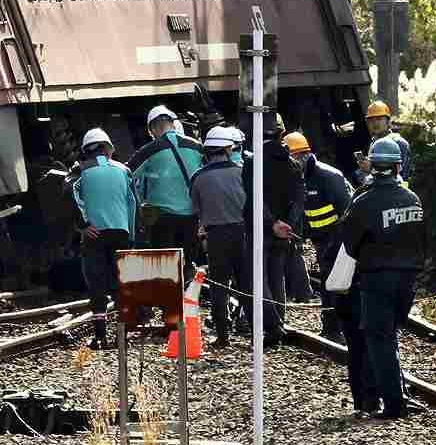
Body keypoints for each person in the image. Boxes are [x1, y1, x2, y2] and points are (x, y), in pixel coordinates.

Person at [339, 136, 427, 420]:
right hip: (407, 280)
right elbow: (423, 240)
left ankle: (393, 404)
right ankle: (396, 395)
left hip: (376, 280)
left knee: (380, 340)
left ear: (372, 166)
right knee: (391, 337)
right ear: (398, 166)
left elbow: (349, 245)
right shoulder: (412, 198)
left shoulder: (364, 201)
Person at [70, 128, 137, 349]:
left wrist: (82, 225)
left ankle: (100, 337)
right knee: (121, 285)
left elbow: (69, 195)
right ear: (109, 149)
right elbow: (133, 204)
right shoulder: (124, 170)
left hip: (95, 235)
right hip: (121, 232)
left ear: (86, 151)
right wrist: (131, 233)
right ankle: (123, 336)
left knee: (97, 285)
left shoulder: (81, 171)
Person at [242, 113, 305, 346]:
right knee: (277, 275)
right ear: (281, 133)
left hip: (260, 228)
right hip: (284, 230)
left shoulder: (252, 163)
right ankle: (280, 321)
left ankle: (274, 325)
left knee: (256, 278)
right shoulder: (293, 164)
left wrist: (271, 224)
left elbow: (253, 197)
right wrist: (288, 223)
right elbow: (299, 198)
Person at [286, 132, 353, 343]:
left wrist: (340, 243)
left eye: (293, 159)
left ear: (304, 155)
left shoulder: (328, 177)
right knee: (328, 282)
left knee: (335, 283)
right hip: (322, 240)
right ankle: (331, 328)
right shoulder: (298, 178)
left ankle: (338, 328)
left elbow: (348, 212)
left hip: (338, 238)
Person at [189, 126, 247, 347]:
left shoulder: (198, 177)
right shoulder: (243, 172)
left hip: (215, 236)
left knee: (219, 285)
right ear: (227, 148)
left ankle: (222, 335)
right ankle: (252, 328)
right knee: (246, 282)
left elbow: (195, 209)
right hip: (242, 232)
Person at [129, 105, 203, 277]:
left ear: (152, 129)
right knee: (187, 265)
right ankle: (187, 301)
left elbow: (125, 174)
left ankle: (169, 302)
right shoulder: (197, 147)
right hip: (192, 217)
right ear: (172, 122)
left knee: (166, 269)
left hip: (163, 219)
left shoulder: (149, 150)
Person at [355, 101, 413, 187]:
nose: (375, 123)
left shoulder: (399, 143)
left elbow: (400, 176)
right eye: (371, 120)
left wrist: (370, 169)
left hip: (396, 194)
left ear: (388, 121)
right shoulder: (374, 142)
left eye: (379, 119)